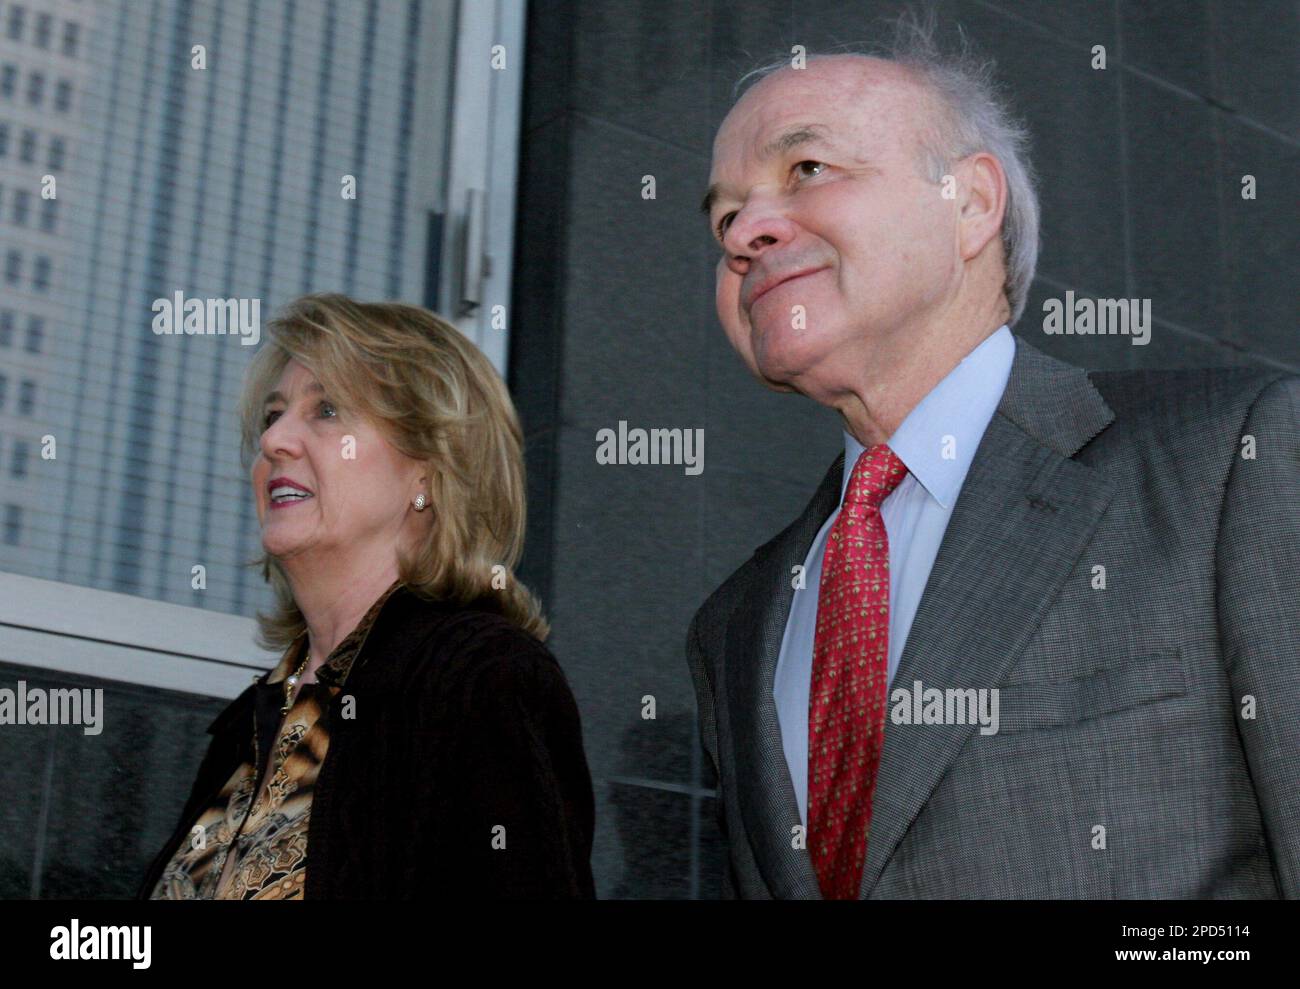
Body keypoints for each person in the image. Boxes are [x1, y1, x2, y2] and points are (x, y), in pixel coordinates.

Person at [686, 16, 1299, 899]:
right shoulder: (735, 626)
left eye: (806, 169)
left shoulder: (1229, 465)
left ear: (970, 203)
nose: (747, 232)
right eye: (726, 218)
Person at [138, 293, 595, 899]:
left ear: (429, 470)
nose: (275, 439)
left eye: (326, 410)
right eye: (273, 415)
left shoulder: (480, 677)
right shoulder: (253, 719)